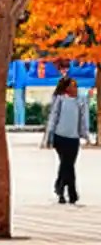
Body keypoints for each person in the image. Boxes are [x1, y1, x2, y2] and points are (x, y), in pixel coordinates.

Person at [45, 76, 90, 204]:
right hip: (60, 137)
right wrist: (49, 135)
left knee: (67, 165)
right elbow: (53, 117)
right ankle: (71, 193)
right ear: (66, 88)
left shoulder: (81, 101)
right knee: (67, 164)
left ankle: (59, 187)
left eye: (76, 86)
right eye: (72, 86)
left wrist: (85, 135)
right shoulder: (60, 99)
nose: (75, 88)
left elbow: (83, 119)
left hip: (73, 138)